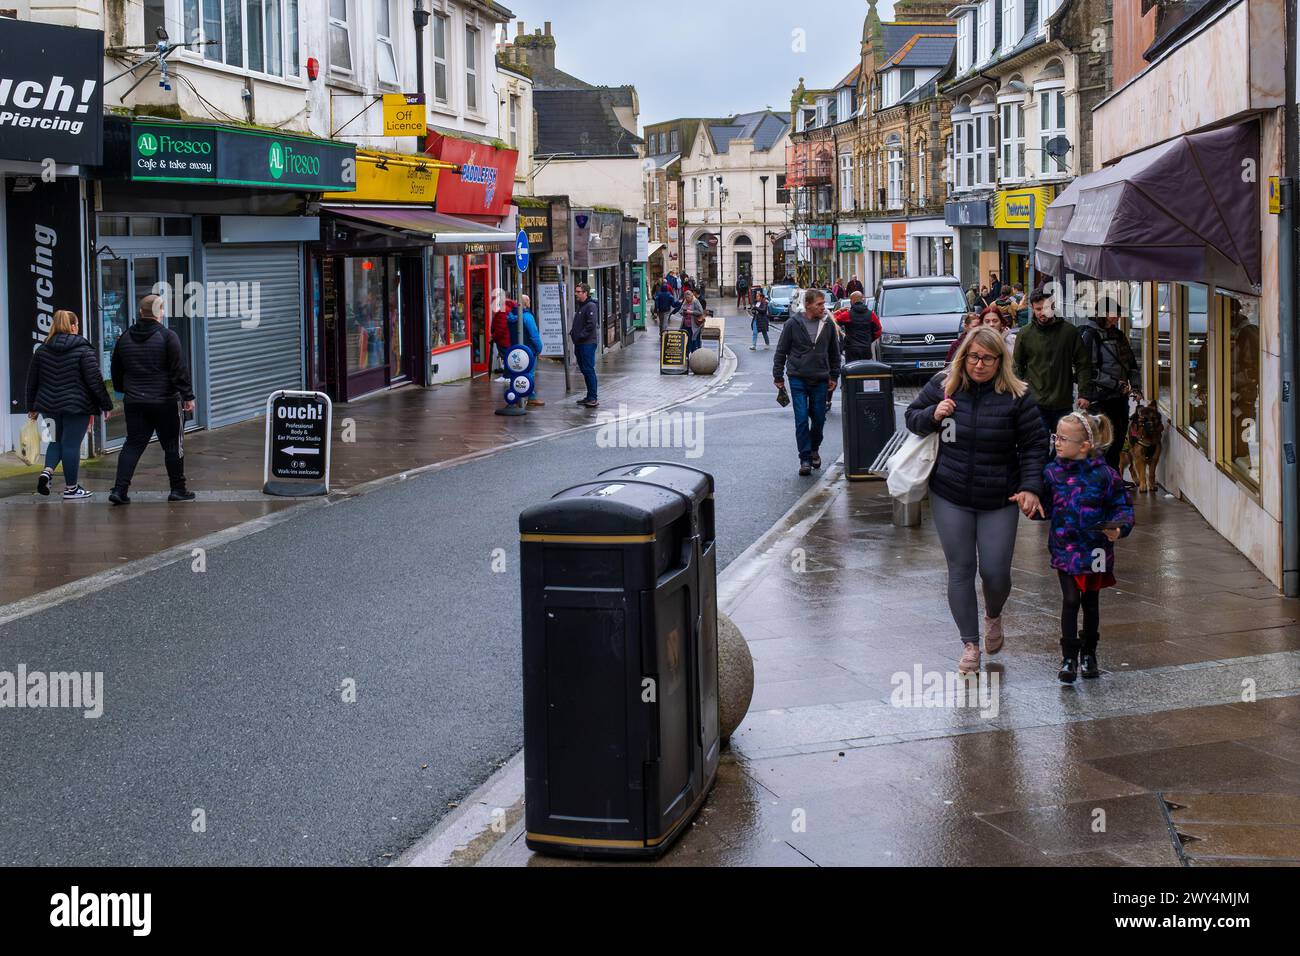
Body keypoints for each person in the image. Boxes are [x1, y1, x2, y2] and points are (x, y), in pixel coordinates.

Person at [904, 326, 1049, 675]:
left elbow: (1034, 444)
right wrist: (933, 415)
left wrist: (1031, 487)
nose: (979, 364)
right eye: (973, 357)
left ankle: (994, 615)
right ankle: (969, 644)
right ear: (964, 356)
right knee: (961, 569)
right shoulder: (944, 386)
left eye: (987, 358)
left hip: (999, 496)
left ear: (1000, 361)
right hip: (950, 493)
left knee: (995, 572)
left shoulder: (1018, 397)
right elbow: (912, 419)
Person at [1034, 411, 1135, 683]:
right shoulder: (1051, 473)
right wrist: (1030, 505)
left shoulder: (1106, 475)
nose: (1057, 442)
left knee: (1090, 603)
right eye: (1056, 436)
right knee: (1070, 600)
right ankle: (1068, 658)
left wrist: (1119, 527)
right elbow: (1043, 508)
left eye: (1064, 438)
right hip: (1065, 547)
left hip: (1096, 549)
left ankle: (1089, 654)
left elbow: (1122, 506)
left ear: (1084, 446)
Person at [109, 295, 196, 505]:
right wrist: (188, 396)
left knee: (133, 444)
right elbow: (178, 370)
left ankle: (120, 490)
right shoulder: (168, 336)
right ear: (161, 312)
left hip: (135, 401)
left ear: (141, 312)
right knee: (173, 445)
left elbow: (116, 370)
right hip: (165, 401)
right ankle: (177, 489)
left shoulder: (125, 337)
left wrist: (125, 390)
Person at [24, 310, 114, 501]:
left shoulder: (41, 350)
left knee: (55, 441)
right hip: (77, 407)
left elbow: (32, 381)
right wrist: (105, 404)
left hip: (48, 407)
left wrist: (31, 407)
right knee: (71, 445)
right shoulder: (83, 349)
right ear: (73, 326)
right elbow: (95, 381)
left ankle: (47, 473)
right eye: (77, 324)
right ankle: (71, 489)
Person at [773, 289, 842, 477]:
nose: (824, 307)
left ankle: (814, 448)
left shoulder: (827, 324)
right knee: (802, 419)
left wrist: (834, 376)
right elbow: (781, 350)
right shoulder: (793, 324)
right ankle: (804, 458)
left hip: (820, 378)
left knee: (819, 419)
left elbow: (834, 353)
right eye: (820, 304)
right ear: (809, 304)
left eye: (824, 303)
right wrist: (778, 376)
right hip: (798, 377)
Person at [1013, 289, 1094, 442]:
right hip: (1036, 403)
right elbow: (1017, 367)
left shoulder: (1069, 332)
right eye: (1038, 309)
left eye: (1045, 308)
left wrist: (1084, 393)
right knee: (1039, 446)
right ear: (1032, 308)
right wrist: (1022, 393)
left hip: (1063, 402)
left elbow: (1083, 363)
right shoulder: (1025, 334)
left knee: (1066, 447)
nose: (1042, 313)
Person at [1079, 298, 1142, 473]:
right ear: (1105, 314)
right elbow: (1087, 369)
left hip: (1119, 397)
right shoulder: (1090, 335)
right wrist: (1114, 384)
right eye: (1115, 313)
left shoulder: (1119, 334)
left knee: (1119, 438)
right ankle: (1100, 477)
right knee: (1103, 441)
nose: (1118, 317)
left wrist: (1136, 387)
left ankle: (1113, 477)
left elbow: (1130, 363)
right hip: (1100, 398)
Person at [571, 283, 600, 409]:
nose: (576, 293)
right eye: (576, 291)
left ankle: (593, 398)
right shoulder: (582, 306)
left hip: (587, 343)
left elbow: (591, 324)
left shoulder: (590, 306)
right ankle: (589, 396)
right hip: (581, 343)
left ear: (585, 293)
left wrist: (579, 336)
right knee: (585, 370)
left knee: (588, 370)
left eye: (578, 291)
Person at [516, 295, 546, 408]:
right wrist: (538, 349)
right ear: (526, 302)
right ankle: (530, 396)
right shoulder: (527, 316)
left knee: (517, 373)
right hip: (528, 350)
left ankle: (518, 395)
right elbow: (534, 335)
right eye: (528, 300)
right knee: (529, 374)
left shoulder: (511, 315)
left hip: (516, 350)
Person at [840, 291, 881, 363]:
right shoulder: (871, 314)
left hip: (851, 349)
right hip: (866, 348)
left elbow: (833, 321)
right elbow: (878, 330)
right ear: (862, 300)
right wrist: (869, 339)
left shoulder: (847, 314)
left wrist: (839, 311)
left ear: (852, 301)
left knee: (851, 371)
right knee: (864, 370)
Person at [491, 290, 515, 383]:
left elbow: (501, 327)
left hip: (504, 339)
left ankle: (506, 376)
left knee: (506, 358)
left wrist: (494, 336)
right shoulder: (512, 307)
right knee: (509, 357)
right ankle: (508, 375)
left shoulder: (503, 309)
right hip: (509, 338)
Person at [680, 289, 706, 357]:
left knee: (692, 340)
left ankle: (692, 355)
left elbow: (700, 312)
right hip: (685, 324)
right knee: (687, 340)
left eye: (688, 298)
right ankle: (687, 355)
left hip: (694, 325)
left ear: (692, 296)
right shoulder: (685, 302)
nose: (687, 299)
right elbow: (680, 310)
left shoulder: (695, 302)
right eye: (686, 298)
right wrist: (683, 312)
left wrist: (691, 312)